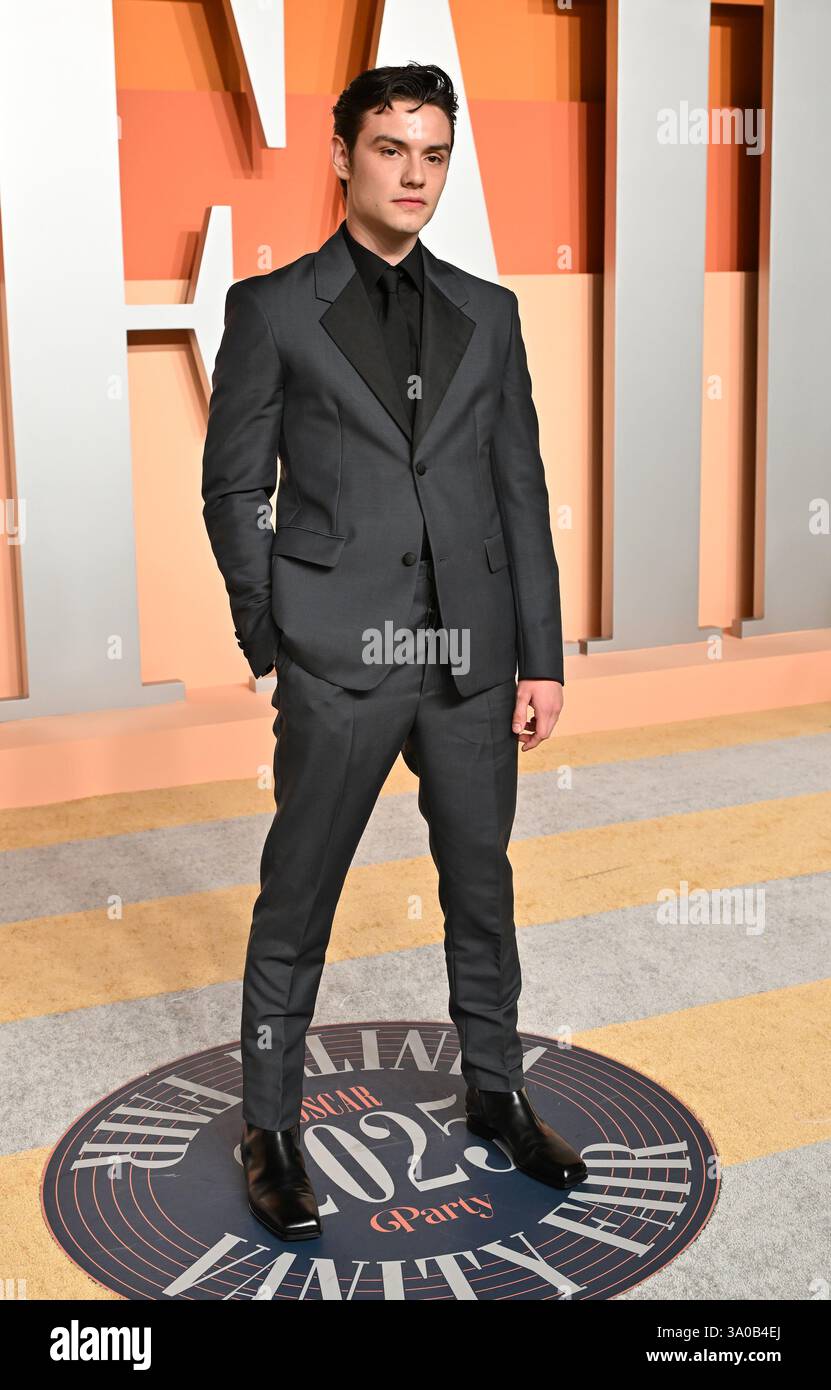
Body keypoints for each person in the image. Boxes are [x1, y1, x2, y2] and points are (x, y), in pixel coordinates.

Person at [201, 62, 587, 1242]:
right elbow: (233, 487)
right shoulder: (272, 310)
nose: (414, 174)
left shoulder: (493, 311)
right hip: (337, 656)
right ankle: (270, 1123)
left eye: (433, 154)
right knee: (297, 900)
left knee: (484, 889)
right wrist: (272, 640)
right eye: (389, 150)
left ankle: (497, 1091)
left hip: (471, 655)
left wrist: (543, 654)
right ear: (341, 157)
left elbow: (518, 487)